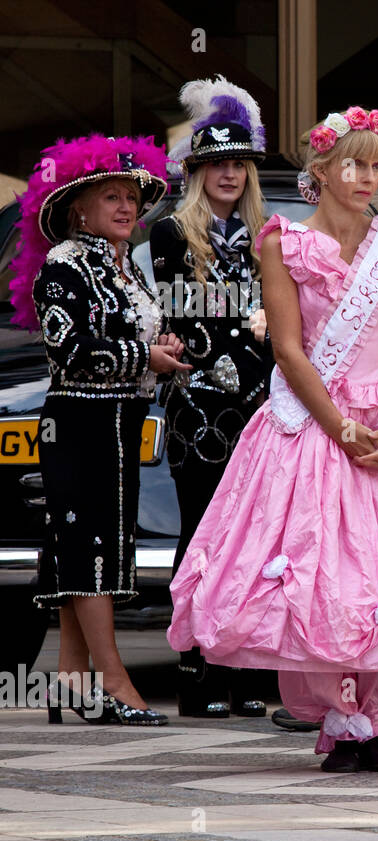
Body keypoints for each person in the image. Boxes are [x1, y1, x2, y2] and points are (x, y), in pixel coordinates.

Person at [168, 106, 378, 772]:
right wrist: (341, 428)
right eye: (354, 162)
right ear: (321, 169)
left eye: (376, 164)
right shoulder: (283, 242)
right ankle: (344, 720)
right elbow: (287, 349)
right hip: (317, 423)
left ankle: (376, 722)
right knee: (328, 571)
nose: (368, 176)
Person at [9, 134, 185, 725]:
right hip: (80, 418)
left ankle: (69, 675)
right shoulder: (64, 264)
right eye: (111, 196)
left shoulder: (121, 265)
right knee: (89, 547)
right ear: (78, 207)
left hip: (119, 419)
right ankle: (111, 678)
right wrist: (145, 357)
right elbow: (69, 344)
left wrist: (161, 349)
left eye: (132, 197)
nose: (126, 207)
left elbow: (124, 338)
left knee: (92, 545)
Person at [152, 76, 274, 720]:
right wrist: (251, 331)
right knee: (201, 533)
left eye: (238, 163)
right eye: (216, 164)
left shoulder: (269, 234)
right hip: (199, 407)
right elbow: (186, 321)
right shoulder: (171, 234)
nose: (229, 173)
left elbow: (285, 313)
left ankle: (242, 664)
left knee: (252, 535)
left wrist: (262, 337)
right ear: (196, 171)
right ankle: (194, 670)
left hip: (260, 405)